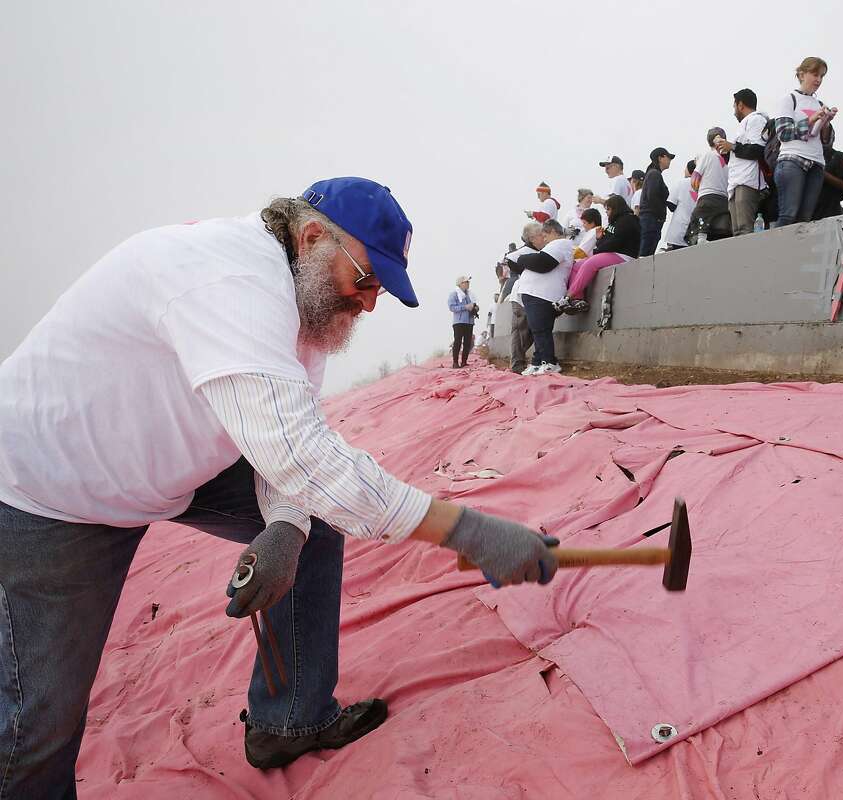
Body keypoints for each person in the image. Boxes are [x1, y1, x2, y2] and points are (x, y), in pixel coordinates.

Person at [0, 178, 562, 796]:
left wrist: (288, 530)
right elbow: (303, 459)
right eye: (366, 281)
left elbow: (290, 449)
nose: (369, 304)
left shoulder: (300, 308)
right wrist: (472, 532)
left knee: (315, 519)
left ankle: (289, 720)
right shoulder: (229, 283)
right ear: (313, 236)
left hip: (169, 464)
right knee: (38, 723)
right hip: (53, 493)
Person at [774, 58, 838, 226]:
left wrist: (825, 123)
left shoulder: (820, 104)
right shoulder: (788, 99)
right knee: (789, 215)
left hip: (816, 163)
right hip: (791, 161)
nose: (818, 80)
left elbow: (826, 142)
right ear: (802, 74)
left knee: (806, 218)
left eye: (822, 76)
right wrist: (811, 120)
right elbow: (783, 133)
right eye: (815, 74)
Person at [557, 195, 640, 314]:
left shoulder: (629, 220)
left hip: (623, 255)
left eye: (608, 209)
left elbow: (615, 243)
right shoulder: (614, 222)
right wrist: (600, 239)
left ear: (615, 208)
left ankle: (568, 297)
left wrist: (597, 250)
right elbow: (605, 241)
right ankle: (577, 300)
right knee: (577, 265)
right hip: (611, 253)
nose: (606, 212)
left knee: (590, 263)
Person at [515, 220, 575, 374]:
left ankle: (550, 361)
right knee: (538, 330)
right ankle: (538, 361)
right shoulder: (554, 245)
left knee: (540, 329)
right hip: (537, 293)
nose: (544, 239)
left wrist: (522, 259)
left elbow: (543, 263)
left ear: (554, 232)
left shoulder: (561, 244)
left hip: (543, 294)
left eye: (545, 235)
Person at [721, 88, 770, 235]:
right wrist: (726, 151)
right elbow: (739, 153)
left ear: (740, 105)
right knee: (737, 231)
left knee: (745, 229)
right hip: (737, 182)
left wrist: (733, 146)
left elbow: (757, 150)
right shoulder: (744, 124)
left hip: (748, 181)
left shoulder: (757, 119)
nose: (734, 110)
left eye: (734, 106)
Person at [500, 222, 544, 374]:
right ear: (531, 238)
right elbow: (510, 259)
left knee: (529, 331)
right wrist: (525, 269)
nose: (543, 237)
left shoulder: (540, 251)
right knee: (521, 332)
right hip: (520, 297)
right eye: (540, 235)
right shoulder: (525, 251)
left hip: (531, 296)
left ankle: (518, 362)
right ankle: (517, 365)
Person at [688, 128, 733, 241]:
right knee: (720, 234)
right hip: (724, 201)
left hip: (707, 198)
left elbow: (695, 178)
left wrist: (697, 189)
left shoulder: (708, 155)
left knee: (698, 234)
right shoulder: (729, 160)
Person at [639, 147, 675, 255]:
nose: (670, 160)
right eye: (668, 157)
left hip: (650, 220)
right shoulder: (654, 174)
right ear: (660, 158)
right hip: (651, 220)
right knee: (645, 254)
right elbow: (652, 196)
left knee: (646, 253)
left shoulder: (652, 173)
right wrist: (660, 217)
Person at [813, 125, 843, 220]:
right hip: (808, 214)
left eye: (825, 133)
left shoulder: (839, 157)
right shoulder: (805, 156)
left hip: (831, 212)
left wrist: (823, 174)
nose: (822, 137)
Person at [663, 159, 698, 250]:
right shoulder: (703, 185)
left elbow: (671, 205)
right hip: (696, 233)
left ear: (689, 170)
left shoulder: (681, 183)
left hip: (678, 233)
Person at [447, 275, 479, 368]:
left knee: (467, 343)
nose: (468, 284)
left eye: (468, 282)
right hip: (459, 322)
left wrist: (476, 308)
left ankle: (464, 361)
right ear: (460, 284)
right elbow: (451, 307)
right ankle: (455, 362)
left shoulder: (470, 295)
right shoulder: (454, 294)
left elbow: (474, 305)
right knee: (457, 341)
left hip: (469, 321)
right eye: (466, 282)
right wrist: (465, 307)